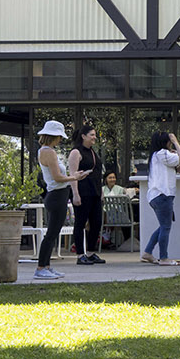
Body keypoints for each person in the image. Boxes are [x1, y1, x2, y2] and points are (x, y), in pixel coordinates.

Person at [34, 120, 89, 280]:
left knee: (54, 232)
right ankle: (40, 267)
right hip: (56, 195)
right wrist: (75, 177)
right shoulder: (48, 152)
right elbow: (57, 177)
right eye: (59, 137)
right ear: (53, 136)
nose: (60, 140)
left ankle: (46, 266)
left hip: (58, 195)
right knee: (51, 233)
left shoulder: (47, 150)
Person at [140, 130, 180, 265]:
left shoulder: (156, 155)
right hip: (163, 195)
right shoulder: (163, 154)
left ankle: (148, 252)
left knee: (163, 226)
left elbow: (176, 165)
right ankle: (164, 258)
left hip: (156, 196)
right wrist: (176, 142)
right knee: (166, 227)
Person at [69, 120, 106, 265]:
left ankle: (91, 252)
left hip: (95, 192)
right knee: (80, 223)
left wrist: (101, 191)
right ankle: (79, 254)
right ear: (83, 136)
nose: (94, 137)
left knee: (96, 223)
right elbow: (73, 174)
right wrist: (75, 194)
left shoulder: (93, 152)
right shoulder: (76, 152)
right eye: (92, 135)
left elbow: (97, 173)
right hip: (82, 192)